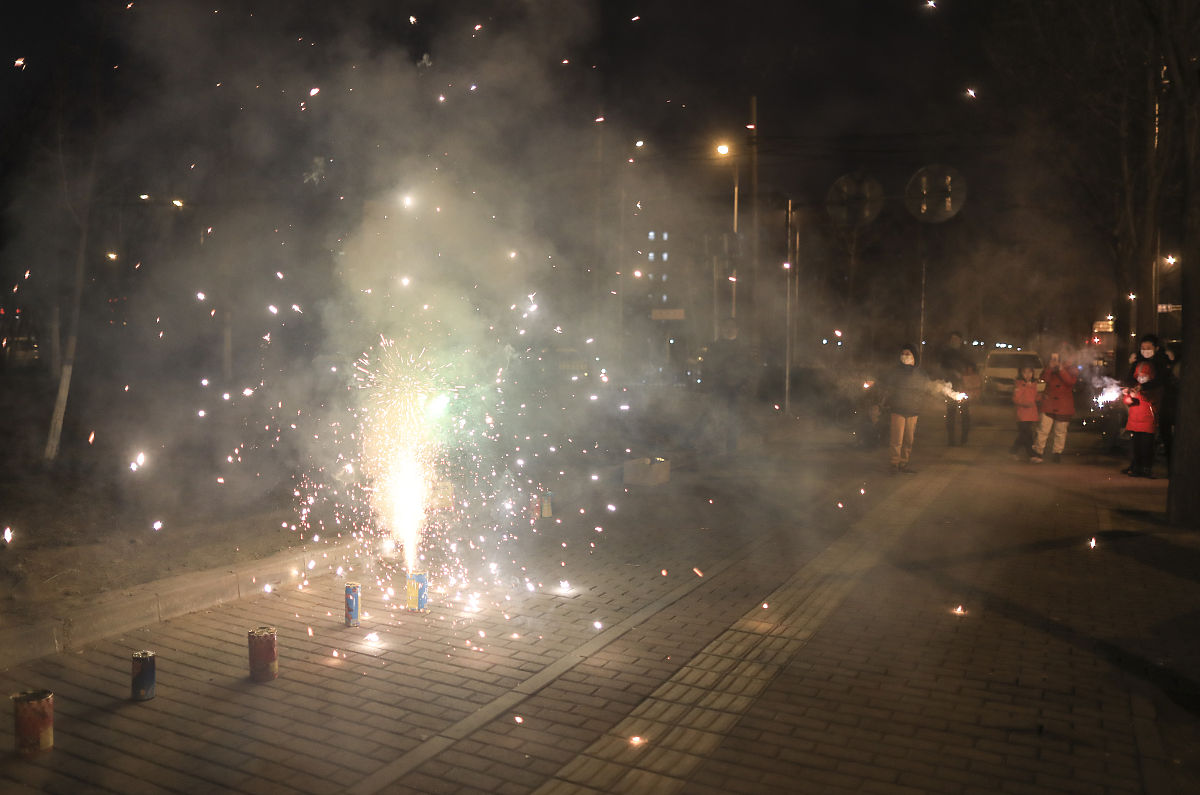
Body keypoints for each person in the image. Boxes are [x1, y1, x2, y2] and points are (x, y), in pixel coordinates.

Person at [1121, 334, 1170, 477]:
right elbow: (1130, 379)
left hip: (1150, 405)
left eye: (1148, 348)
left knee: (1147, 439)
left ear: (1156, 348)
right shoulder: (1137, 363)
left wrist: (1142, 387)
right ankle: (1136, 465)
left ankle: (1145, 467)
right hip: (1137, 406)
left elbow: (1159, 382)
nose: (1145, 351)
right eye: (1143, 348)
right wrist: (1129, 388)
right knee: (1136, 438)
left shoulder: (1159, 364)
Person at [703, 317, 752, 453]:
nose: (729, 329)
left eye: (732, 327)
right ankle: (714, 448)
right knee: (715, 417)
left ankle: (731, 450)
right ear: (721, 329)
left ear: (737, 329)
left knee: (733, 420)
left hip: (736, 390)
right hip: (718, 388)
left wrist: (744, 385)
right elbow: (708, 367)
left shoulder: (743, 348)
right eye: (726, 326)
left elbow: (748, 368)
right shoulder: (714, 347)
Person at [883, 343, 929, 474]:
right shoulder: (895, 371)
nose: (904, 356)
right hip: (898, 409)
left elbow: (926, 389)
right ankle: (894, 464)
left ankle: (904, 463)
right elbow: (887, 385)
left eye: (907, 354)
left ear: (914, 356)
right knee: (896, 439)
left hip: (913, 410)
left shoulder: (920, 373)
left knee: (909, 439)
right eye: (902, 354)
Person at [1030, 346, 1078, 463]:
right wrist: (1050, 368)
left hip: (1064, 405)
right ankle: (1038, 452)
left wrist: (1061, 369)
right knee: (1043, 429)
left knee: (1060, 431)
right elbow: (1043, 379)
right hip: (1049, 403)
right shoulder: (1050, 367)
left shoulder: (1072, 368)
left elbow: (1070, 382)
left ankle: (1057, 452)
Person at [938, 331, 973, 445]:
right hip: (950, 388)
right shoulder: (946, 353)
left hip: (964, 387)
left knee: (965, 415)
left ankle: (964, 439)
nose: (954, 341)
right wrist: (951, 375)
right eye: (952, 339)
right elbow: (942, 368)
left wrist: (964, 375)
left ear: (960, 340)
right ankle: (951, 439)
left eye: (956, 339)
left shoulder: (965, 353)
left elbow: (972, 368)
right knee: (951, 414)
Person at [1010, 365, 1039, 459]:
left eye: (1030, 372)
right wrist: (1026, 403)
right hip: (1022, 414)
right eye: (1025, 372)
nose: (1028, 375)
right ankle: (1031, 454)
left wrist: (1042, 397)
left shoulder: (1033, 384)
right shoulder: (1019, 384)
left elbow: (1034, 397)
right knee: (1025, 434)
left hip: (1031, 413)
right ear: (1021, 374)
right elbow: (1016, 399)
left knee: (1026, 434)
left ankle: (1014, 451)